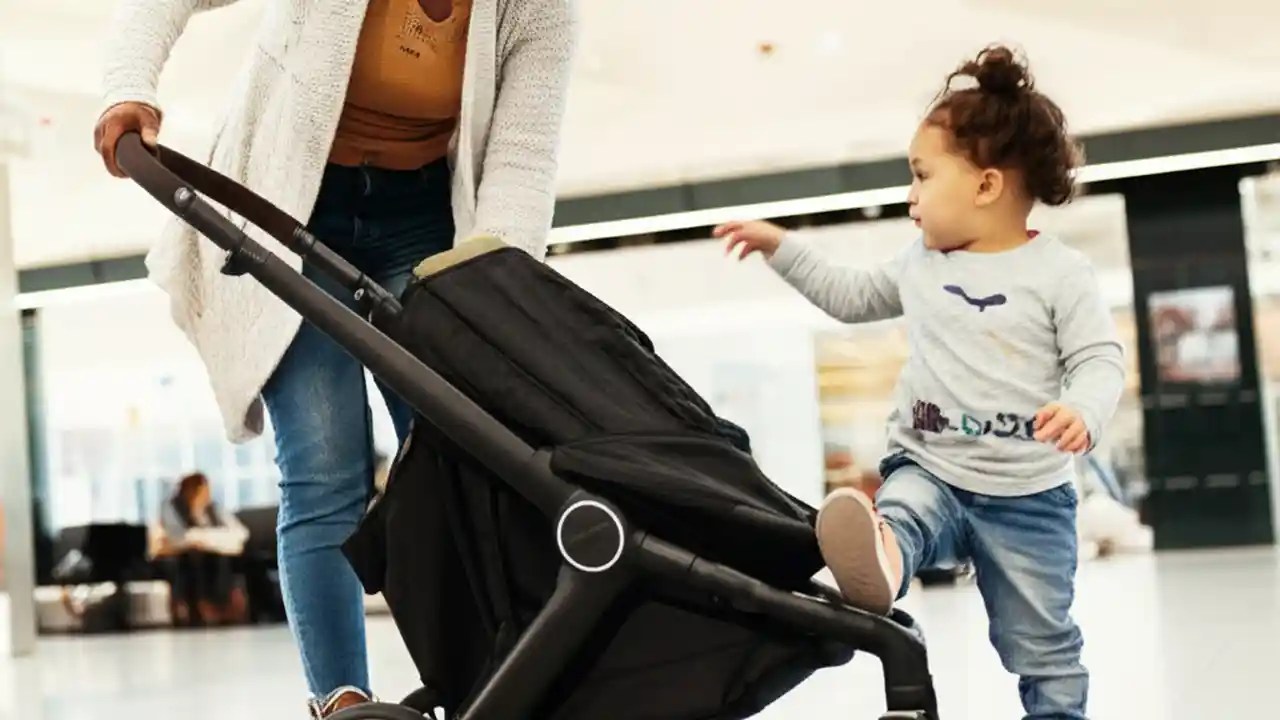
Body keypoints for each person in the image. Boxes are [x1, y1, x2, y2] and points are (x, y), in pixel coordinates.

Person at [93, 0, 577, 715]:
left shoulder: (540, 9)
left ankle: (489, 677)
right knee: (324, 466)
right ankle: (342, 701)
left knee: (460, 460)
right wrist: (127, 88)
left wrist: (491, 297)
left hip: (424, 221)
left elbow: (522, 156)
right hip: (293, 210)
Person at [716, 45, 1124, 720]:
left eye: (922, 175)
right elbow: (848, 296)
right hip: (931, 466)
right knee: (903, 510)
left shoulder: (1060, 273)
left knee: (1041, 644)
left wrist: (1084, 407)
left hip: (1028, 496)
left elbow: (1099, 361)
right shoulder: (919, 265)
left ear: (986, 186)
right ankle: (883, 560)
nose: (910, 196)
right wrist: (780, 246)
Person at [156, 472, 250, 626]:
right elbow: (177, 536)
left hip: (213, 549)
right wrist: (199, 538)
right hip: (181, 553)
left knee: (222, 558)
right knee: (195, 559)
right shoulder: (172, 508)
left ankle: (221, 604)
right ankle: (201, 605)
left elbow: (240, 532)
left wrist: (209, 538)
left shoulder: (214, 508)